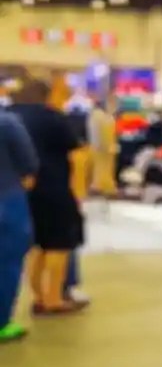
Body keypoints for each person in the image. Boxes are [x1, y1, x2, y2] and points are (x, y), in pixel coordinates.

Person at [9, 79, 87, 315]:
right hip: (54, 188)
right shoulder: (53, 119)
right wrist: (79, 190)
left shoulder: (9, 117)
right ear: (47, 94)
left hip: (18, 191)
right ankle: (52, 299)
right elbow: (79, 156)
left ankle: (39, 296)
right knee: (59, 247)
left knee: (37, 247)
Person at [0, 107, 37, 343]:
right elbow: (29, 165)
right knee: (7, 262)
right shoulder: (7, 123)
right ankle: (2, 323)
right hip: (7, 199)